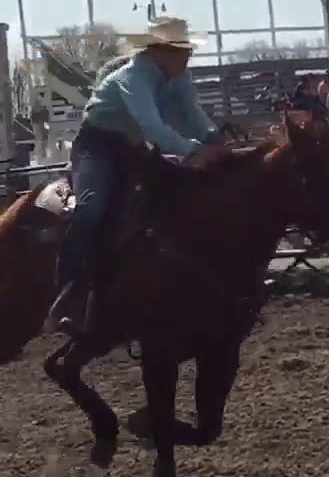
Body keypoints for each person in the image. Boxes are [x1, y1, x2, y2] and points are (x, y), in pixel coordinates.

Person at [47, 16, 232, 334]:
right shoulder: (133, 78)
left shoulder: (177, 78)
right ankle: (68, 295)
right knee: (90, 208)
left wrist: (214, 139)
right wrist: (194, 150)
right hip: (97, 146)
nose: (188, 55)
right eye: (181, 49)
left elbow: (192, 116)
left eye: (187, 49)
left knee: (177, 196)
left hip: (131, 148)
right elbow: (152, 126)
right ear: (159, 51)